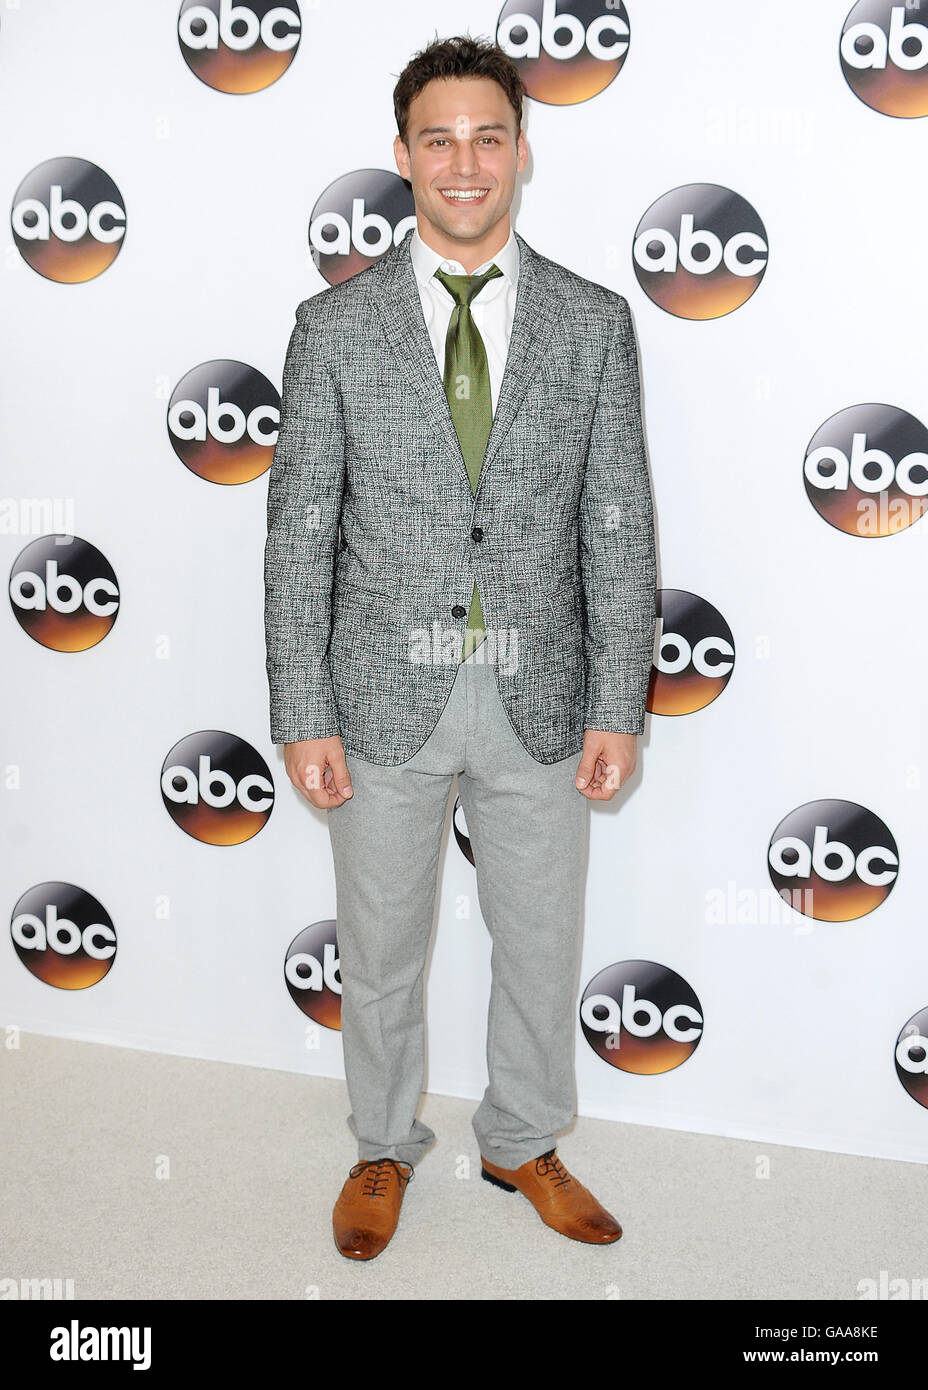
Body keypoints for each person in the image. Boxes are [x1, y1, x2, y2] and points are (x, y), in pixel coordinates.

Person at [263, 34, 657, 1261]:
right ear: (402, 156)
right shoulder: (330, 329)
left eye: (489, 135)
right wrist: (300, 710)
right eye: (438, 138)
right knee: (378, 950)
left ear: (522, 152)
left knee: (540, 940)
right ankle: (382, 1145)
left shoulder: (594, 324)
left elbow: (619, 521)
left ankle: (522, 1138)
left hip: (539, 689)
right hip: (382, 695)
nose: (465, 161)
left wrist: (619, 703)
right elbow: (297, 539)